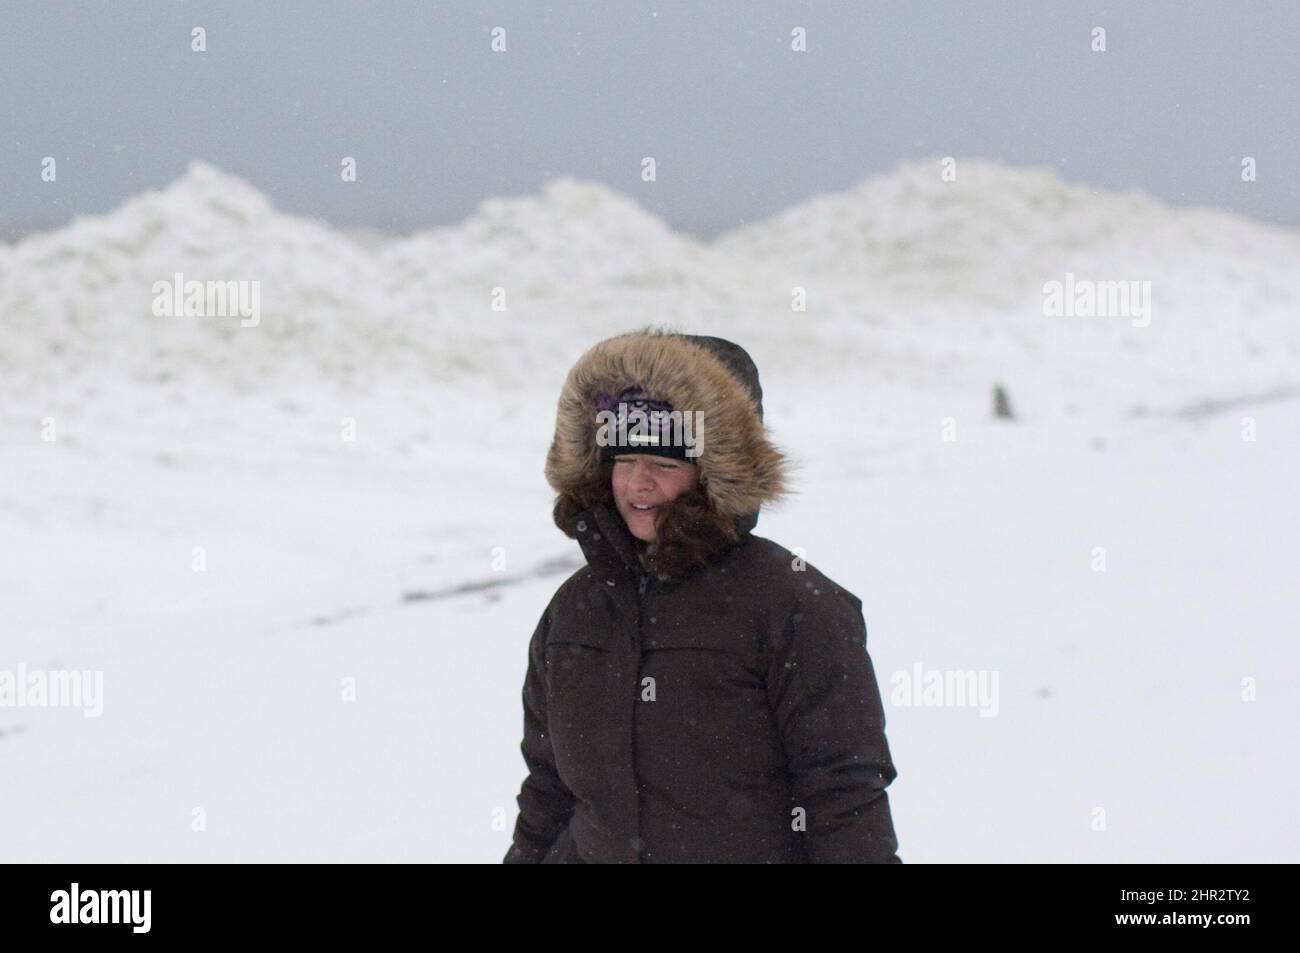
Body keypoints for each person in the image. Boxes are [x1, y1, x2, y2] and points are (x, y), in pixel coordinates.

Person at [503, 327, 902, 863]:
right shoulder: (574, 612)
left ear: (713, 474)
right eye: (624, 460)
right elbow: (548, 791)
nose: (639, 484)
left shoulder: (795, 607)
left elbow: (845, 799)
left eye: (665, 464)